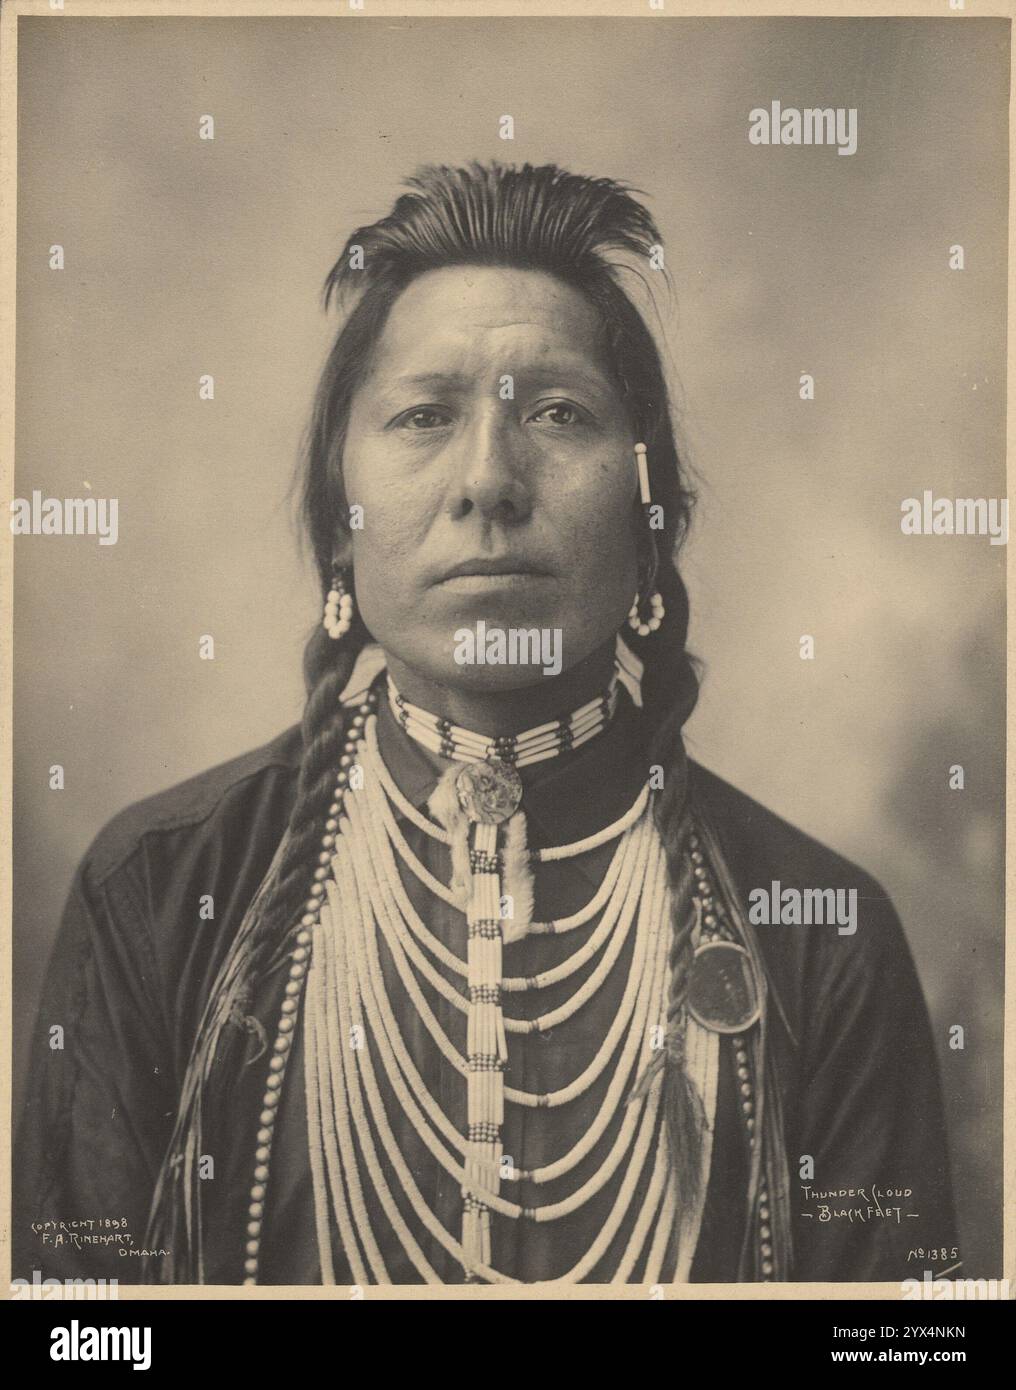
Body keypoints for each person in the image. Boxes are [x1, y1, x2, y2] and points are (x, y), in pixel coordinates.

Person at [13, 162, 957, 1287]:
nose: (487, 481)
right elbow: (79, 1336)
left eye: (557, 415)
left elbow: (903, 1349)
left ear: (652, 527)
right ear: (337, 525)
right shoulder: (163, 893)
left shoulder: (818, 935)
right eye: (422, 415)